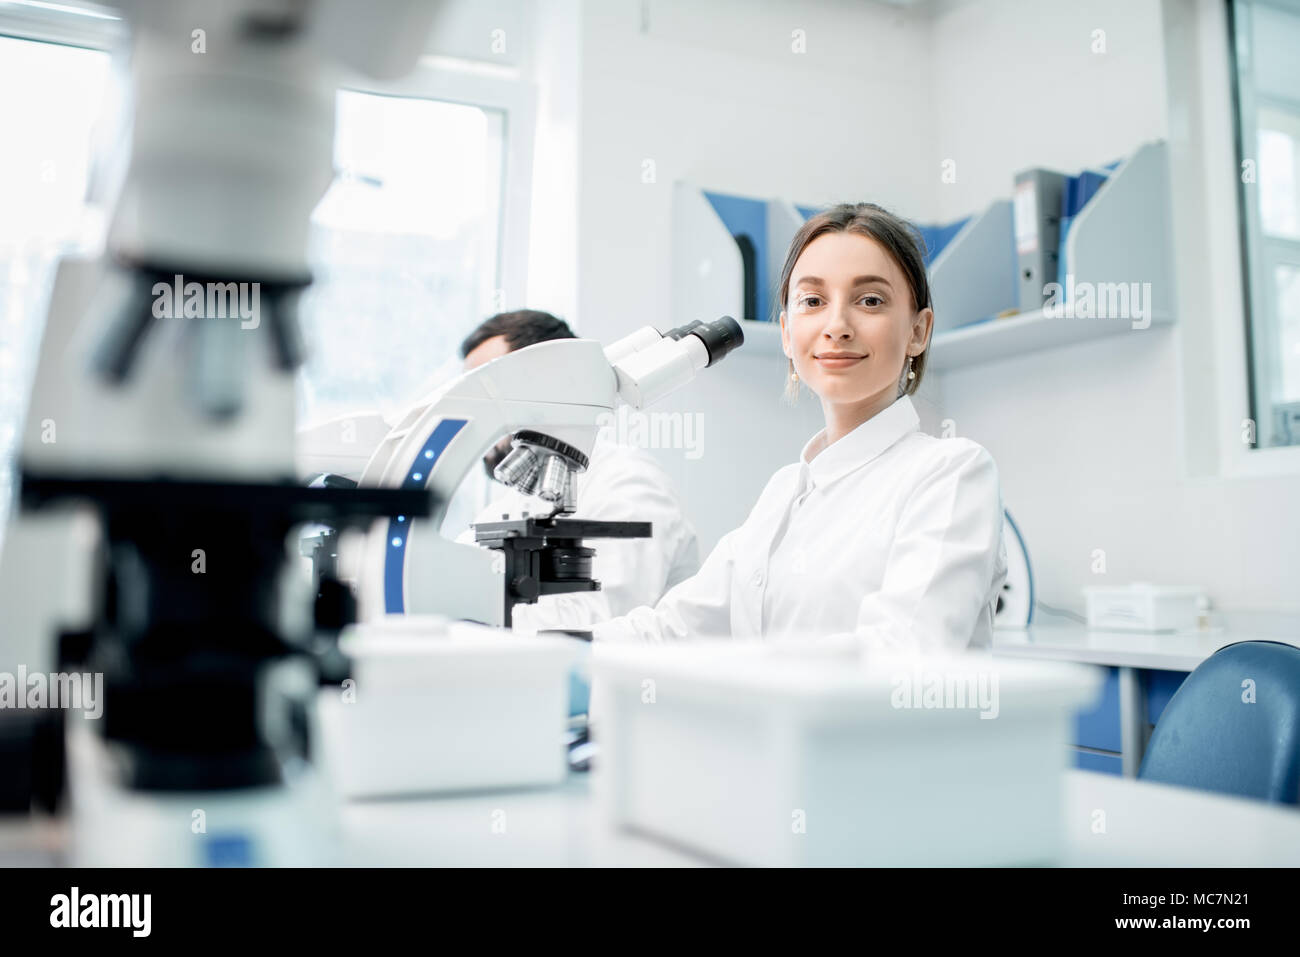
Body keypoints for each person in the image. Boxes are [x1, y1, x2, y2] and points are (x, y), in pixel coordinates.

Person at [593, 203, 1008, 653]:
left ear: (918, 331)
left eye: (870, 300)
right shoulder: (784, 491)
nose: (837, 326)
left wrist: (748, 677)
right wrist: (558, 650)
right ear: (788, 334)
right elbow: (676, 627)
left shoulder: (951, 473)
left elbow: (903, 651)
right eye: (813, 301)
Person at [450, 310, 701, 633]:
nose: (475, 413)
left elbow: (589, 622)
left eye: (487, 393)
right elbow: (454, 579)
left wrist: (462, 613)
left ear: (547, 387)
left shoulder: (628, 482)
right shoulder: (513, 498)